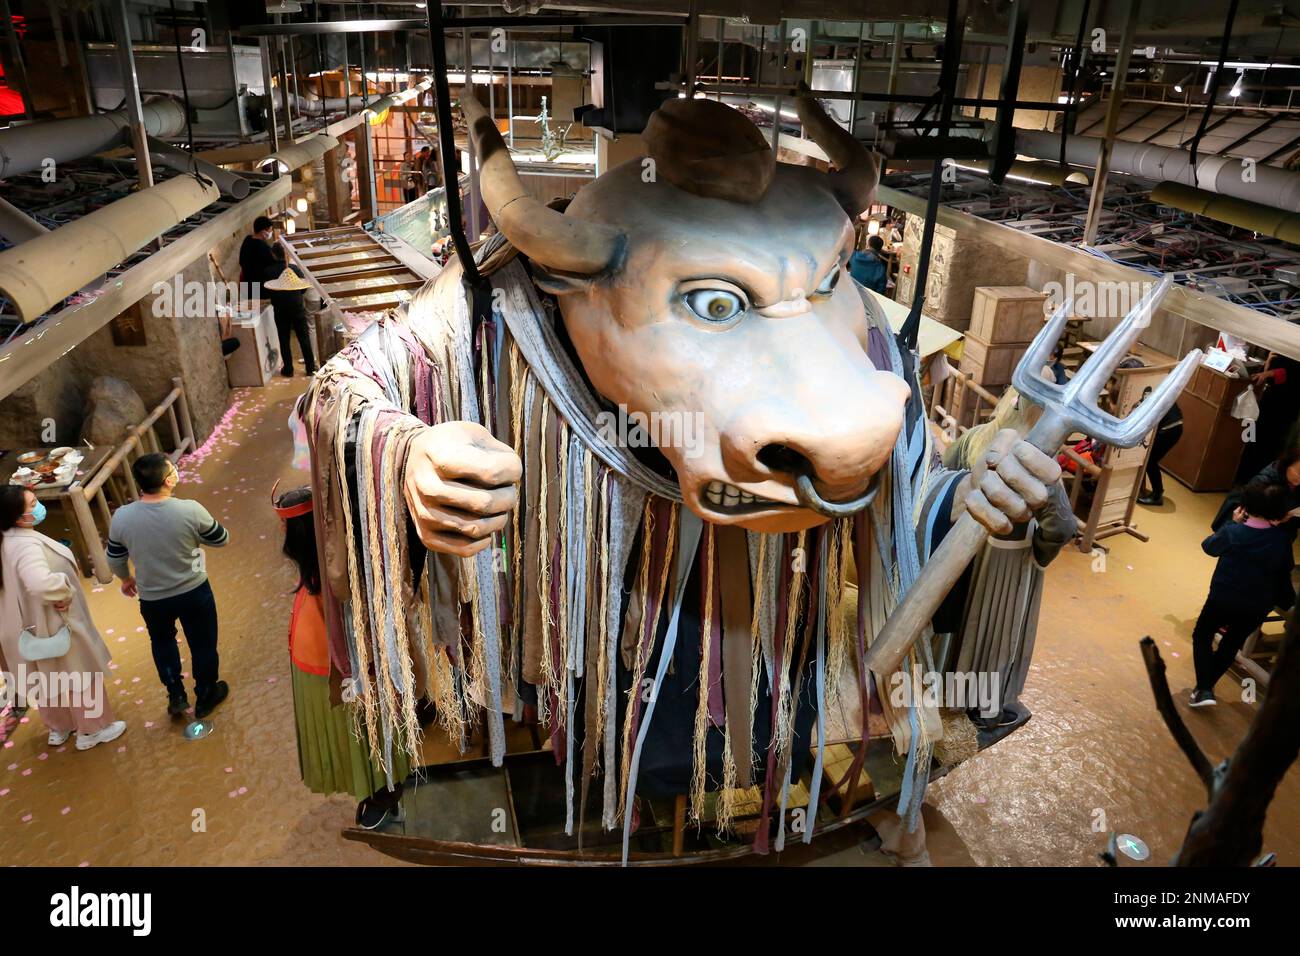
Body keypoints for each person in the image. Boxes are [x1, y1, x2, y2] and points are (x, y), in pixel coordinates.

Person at [274, 485, 407, 822]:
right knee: (368, 723)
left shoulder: (318, 573)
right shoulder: (348, 563)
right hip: (341, 651)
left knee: (352, 728)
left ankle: (378, 791)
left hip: (317, 647)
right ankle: (383, 792)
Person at [0, 487, 126, 750]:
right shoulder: (25, 545)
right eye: (32, 503)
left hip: (16, 627)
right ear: (16, 516)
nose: (37, 506)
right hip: (48, 621)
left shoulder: (3, 540)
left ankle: (60, 727)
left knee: (42, 677)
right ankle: (93, 730)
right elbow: (39, 582)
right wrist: (62, 590)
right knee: (78, 673)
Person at [107, 453, 230, 719]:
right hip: (194, 591)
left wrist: (126, 579)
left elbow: (114, 558)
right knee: (203, 644)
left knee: (162, 642)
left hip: (152, 598)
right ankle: (206, 695)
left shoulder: (122, 517)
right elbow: (221, 539)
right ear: (168, 480)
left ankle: (175, 694)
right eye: (173, 469)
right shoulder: (190, 509)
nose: (176, 471)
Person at [1189, 479, 1296, 707]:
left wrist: (1232, 522)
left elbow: (1209, 547)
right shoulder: (1282, 541)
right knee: (1231, 644)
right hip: (1257, 605)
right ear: (1279, 512)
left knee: (1202, 635)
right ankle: (1204, 689)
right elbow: (1285, 570)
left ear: (1244, 506)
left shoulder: (1233, 532)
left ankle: (1205, 688)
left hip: (1223, 597)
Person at [266, 246, 317, 378]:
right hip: (296, 307)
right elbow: (303, 288)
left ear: (273, 255)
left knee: (284, 339)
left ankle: (288, 369)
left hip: (280, 309)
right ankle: (310, 367)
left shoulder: (269, 271)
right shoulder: (294, 269)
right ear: (286, 255)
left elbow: (267, 290)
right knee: (303, 337)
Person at [1137, 386, 1184, 506]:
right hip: (1175, 427)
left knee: (1149, 460)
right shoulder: (1155, 384)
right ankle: (1149, 490)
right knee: (1149, 459)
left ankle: (1157, 495)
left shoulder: (1146, 391)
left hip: (1169, 429)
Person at [238, 215, 278, 286]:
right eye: (270, 231)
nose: (271, 233)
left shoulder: (248, 239)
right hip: (257, 285)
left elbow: (241, 261)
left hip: (245, 281)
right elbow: (273, 263)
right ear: (263, 232)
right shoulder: (262, 247)